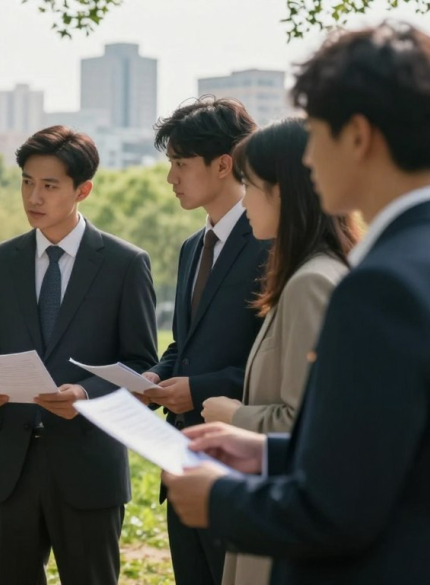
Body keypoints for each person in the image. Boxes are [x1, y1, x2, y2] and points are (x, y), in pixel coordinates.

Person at [163, 22, 430, 585]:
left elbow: (338, 510)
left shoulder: (381, 287)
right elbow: (392, 457)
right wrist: (269, 456)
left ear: (358, 136)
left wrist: (218, 501)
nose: (308, 159)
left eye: (315, 133)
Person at [0, 125, 158, 584]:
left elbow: (142, 363)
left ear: (83, 189)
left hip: (89, 468)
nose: (34, 196)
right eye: (27, 181)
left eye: (49, 185)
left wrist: (85, 392)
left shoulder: (125, 264)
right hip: (10, 467)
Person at [199, 118, 362, 585]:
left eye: (249, 185)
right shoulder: (309, 274)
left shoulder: (311, 283)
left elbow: (306, 425)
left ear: (284, 192)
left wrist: (231, 414)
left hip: (281, 529)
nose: (244, 199)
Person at [142, 97, 268, 585]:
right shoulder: (193, 246)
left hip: (240, 463)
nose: (171, 178)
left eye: (179, 164)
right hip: (182, 460)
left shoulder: (272, 243)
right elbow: (185, 344)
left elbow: (273, 368)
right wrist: (155, 376)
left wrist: (196, 389)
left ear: (224, 165)